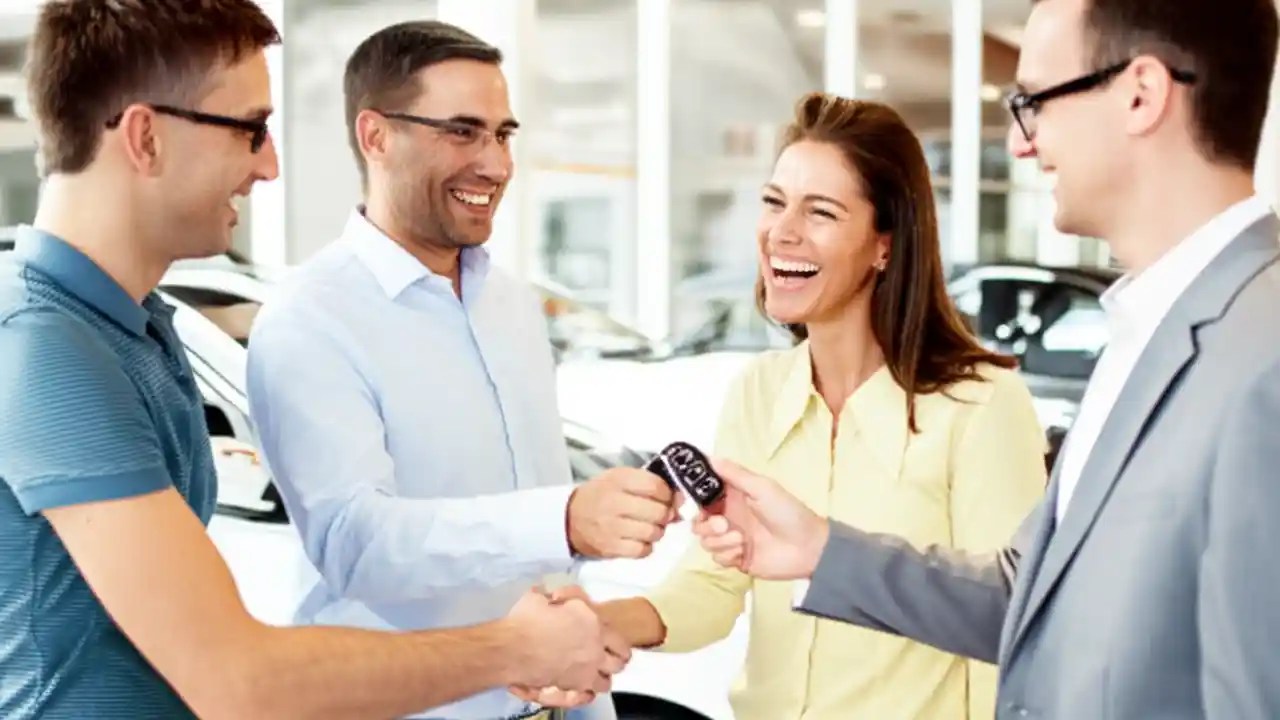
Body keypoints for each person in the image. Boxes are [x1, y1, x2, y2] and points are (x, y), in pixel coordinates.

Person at [0, 3, 622, 719]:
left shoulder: (137, 329)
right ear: (147, 138)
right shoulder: (43, 343)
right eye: (251, 130)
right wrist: (518, 649)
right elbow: (239, 680)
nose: (269, 165)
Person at [693, 0, 1280, 718]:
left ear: (1141, 94)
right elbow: (1026, 595)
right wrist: (822, 550)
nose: (1023, 142)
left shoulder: (1261, 354)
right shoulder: (1146, 331)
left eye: (1034, 101)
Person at [245, 20, 679, 720]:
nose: (497, 165)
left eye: (503, 134)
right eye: (462, 131)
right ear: (376, 136)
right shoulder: (309, 319)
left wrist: (605, 523)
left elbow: (528, 525)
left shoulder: (510, 303)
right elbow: (357, 543)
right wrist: (564, 519)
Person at [586, 93, 1047, 720]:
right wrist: (601, 623)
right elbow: (715, 583)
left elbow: (1007, 621)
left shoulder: (980, 404)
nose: (782, 231)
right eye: (774, 202)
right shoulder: (758, 390)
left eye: (821, 211)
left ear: (885, 243)